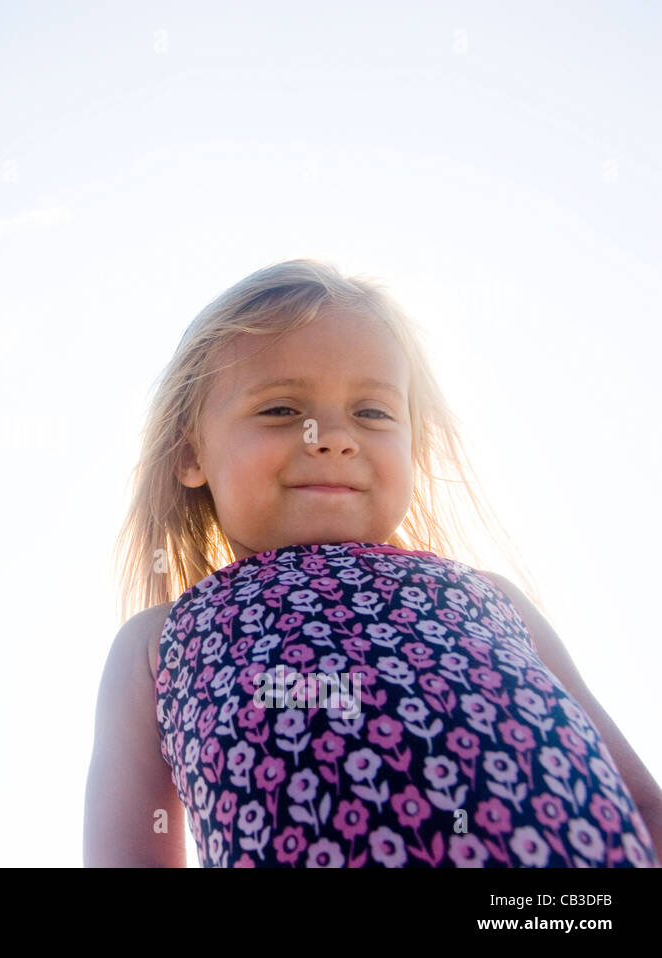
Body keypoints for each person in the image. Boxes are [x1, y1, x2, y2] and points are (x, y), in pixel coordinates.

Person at [84, 258, 662, 867]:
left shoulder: (492, 599)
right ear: (189, 453)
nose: (332, 436)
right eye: (281, 409)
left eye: (373, 412)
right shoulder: (158, 644)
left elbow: (642, 803)